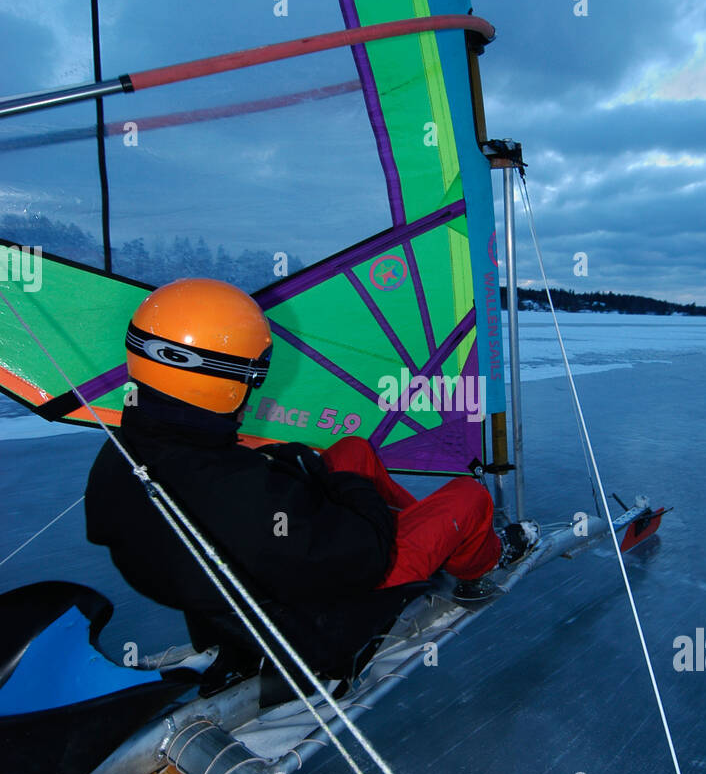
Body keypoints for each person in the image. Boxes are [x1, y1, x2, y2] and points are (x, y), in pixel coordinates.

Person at [85, 278, 536, 690]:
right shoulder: (238, 495)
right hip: (324, 616)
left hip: (256, 588)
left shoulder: (125, 453)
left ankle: (420, 528)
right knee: (468, 496)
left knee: (353, 450)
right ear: (219, 381)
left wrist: (285, 463)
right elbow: (367, 556)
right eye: (249, 377)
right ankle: (479, 565)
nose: (252, 392)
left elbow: (240, 503)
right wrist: (353, 497)